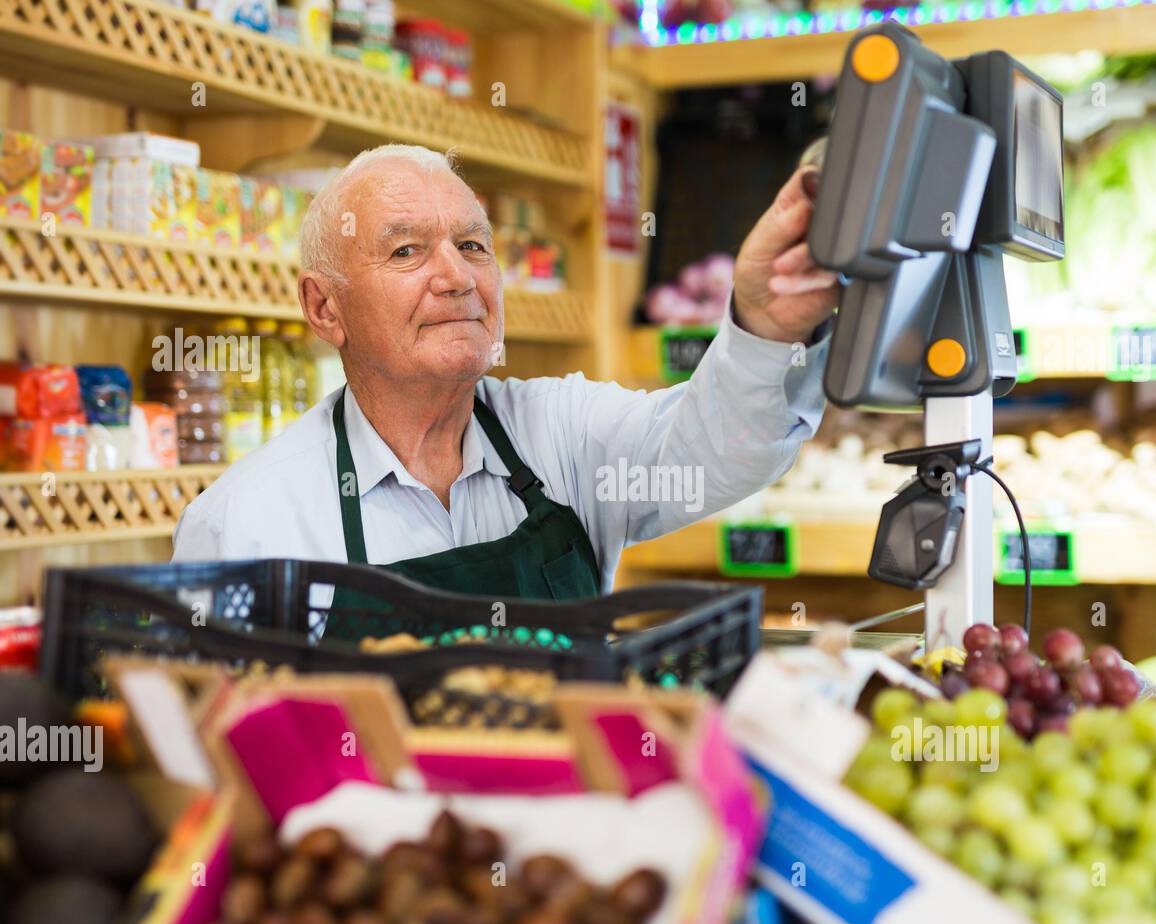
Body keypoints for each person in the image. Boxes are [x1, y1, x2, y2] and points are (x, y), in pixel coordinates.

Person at [172, 144, 840, 600]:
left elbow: (719, 451)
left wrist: (766, 322)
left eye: (471, 246)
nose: (458, 277)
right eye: (407, 251)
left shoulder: (563, 434)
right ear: (325, 307)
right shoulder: (247, 523)